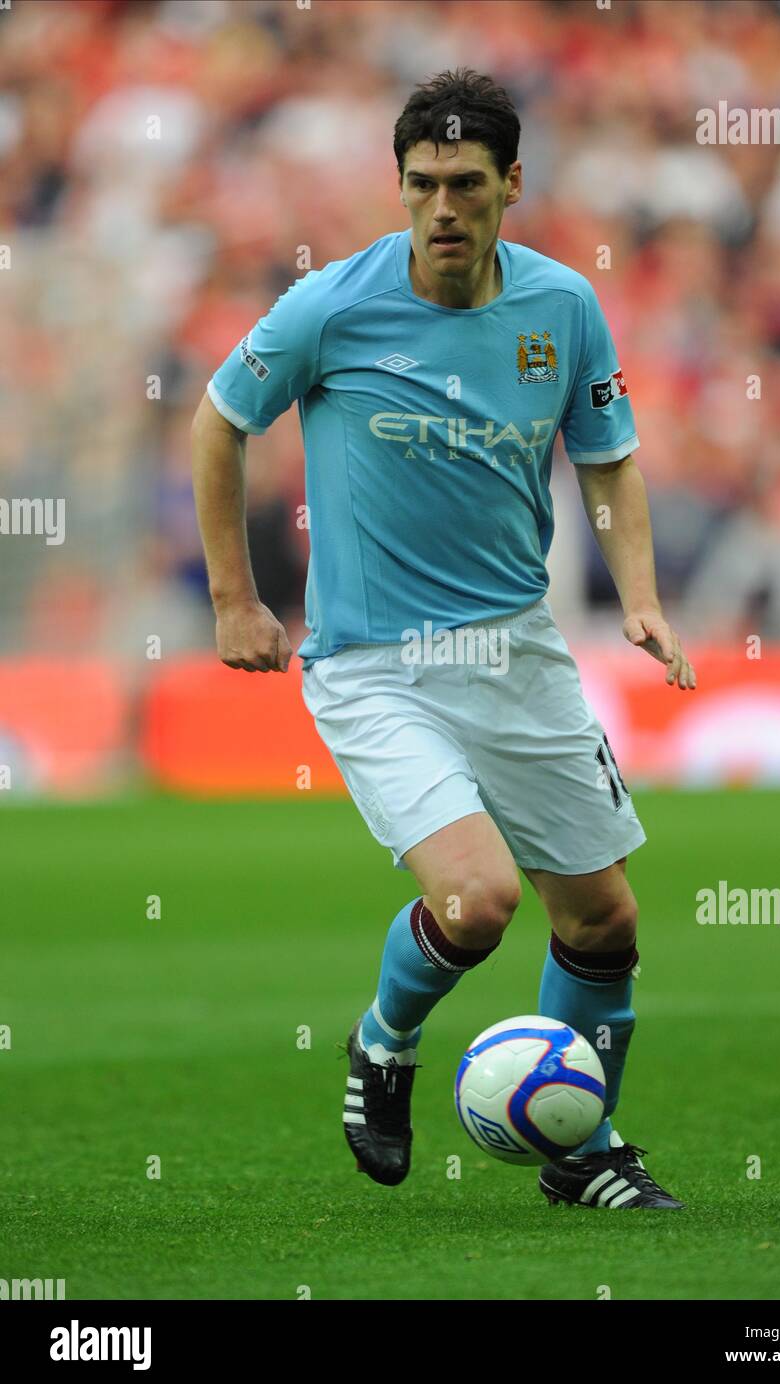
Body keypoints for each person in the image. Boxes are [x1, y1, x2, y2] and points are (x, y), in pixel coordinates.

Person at [191, 68, 696, 1211]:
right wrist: (235, 597)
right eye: (421, 184)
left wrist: (642, 592)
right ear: (399, 186)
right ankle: (383, 1040)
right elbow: (217, 421)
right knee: (476, 901)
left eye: (467, 183)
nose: (443, 208)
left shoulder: (562, 307)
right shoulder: (332, 306)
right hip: (377, 666)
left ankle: (578, 1152)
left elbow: (606, 453)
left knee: (604, 918)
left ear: (512, 184)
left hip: (517, 651)